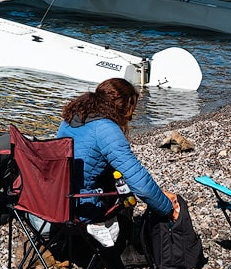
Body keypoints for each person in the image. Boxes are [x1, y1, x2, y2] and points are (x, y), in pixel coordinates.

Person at [57, 77, 179, 222]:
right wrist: (167, 209)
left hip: (54, 198)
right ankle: (119, 242)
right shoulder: (106, 129)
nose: (131, 117)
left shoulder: (71, 118)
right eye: (131, 110)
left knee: (118, 177)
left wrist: (159, 194)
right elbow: (141, 184)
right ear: (123, 107)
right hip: (81, 206)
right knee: (127, 196)